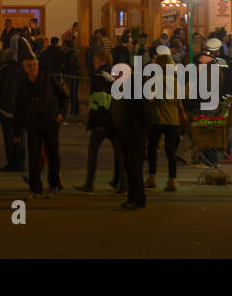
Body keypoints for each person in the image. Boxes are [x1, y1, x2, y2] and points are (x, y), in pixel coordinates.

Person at [13, 54, 67, 198]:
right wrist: (17, 131)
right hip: (33, 125)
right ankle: (35, 189)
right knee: (34, 158)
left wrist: (61, 112)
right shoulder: (23, 83)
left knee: (53, 156)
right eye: (29, 66)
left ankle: (54, 185)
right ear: (25, 69)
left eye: (34, 65)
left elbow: (63, 96)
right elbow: (18, 107)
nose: (33, 68)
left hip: (50, 123)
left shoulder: (48, 79)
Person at [77, 50, 123, 193]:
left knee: (92, 152)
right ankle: (124, 183)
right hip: (116, 119)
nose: (93, 62)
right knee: (119, 153)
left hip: (101, 120)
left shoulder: (98, 77)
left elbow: (98, 99)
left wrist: (94, 119)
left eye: (95, 59)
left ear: (101, 60)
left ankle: (89, 183)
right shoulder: (117, 76)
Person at [110, 45, 149, 210]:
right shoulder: (125, 86)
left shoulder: (134, 88)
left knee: (134, 168)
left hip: (133, 133)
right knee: (130, 167)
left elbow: (142, 112)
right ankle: (135, 197)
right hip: (126, 132)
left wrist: (138, 130)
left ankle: (136, 197)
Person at [144, 50, 184, 192]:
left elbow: (150, 98)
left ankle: (152, 178)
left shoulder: (156, 81)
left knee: (152, 149)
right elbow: (179, 102)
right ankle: (172, 180)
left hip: (158, 118)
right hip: (173, 120)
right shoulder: (175, 81)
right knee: (170, 151)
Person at [0, 50, 26, 173]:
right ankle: (21, 162)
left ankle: (12, 163)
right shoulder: (23, 70)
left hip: (6, 110)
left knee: (9, 137)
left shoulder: (1, 71)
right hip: (21, 111)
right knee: (21, 136)